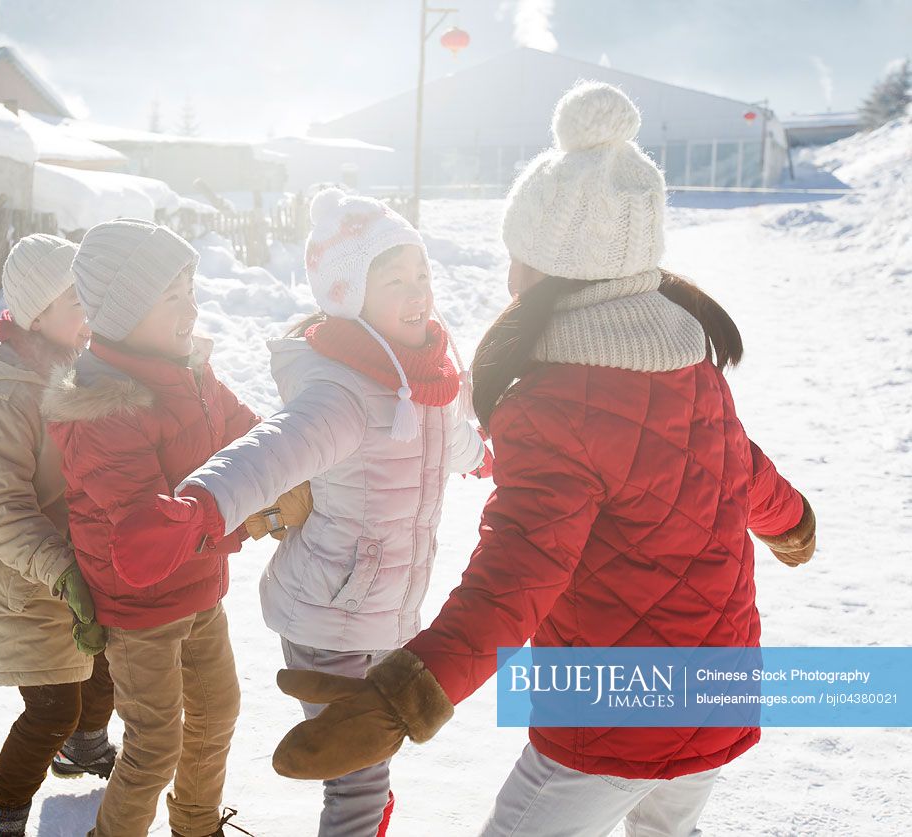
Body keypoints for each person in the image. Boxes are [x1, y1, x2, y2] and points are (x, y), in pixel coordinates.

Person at [270, 82, 817, 837]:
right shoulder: (688, 360)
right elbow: (740, 467)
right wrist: (791, 520)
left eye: (516, 260)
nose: (505, 280)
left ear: (549, 268)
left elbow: (514, 581)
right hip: (717, 691)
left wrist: (405, 693)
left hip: (616, 718)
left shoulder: (554, 403)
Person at [122, 189, 488, 836]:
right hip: (328, 615)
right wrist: (198, 506)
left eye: (421, 275)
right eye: (394, 279)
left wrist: (486, 461)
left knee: (367, 753)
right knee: (356, 774)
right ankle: (363, 812)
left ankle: (367, 806)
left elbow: (453, 436)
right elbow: (270, 452)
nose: (417, 293)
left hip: (385, 610)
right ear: (349, 295)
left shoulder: (429, 373)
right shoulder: (341, 394)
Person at [42, 219, 261, 837]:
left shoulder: (190, 372)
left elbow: (250, 435)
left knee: (217, 712)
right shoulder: (102, 407)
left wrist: (296, 457)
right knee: (156, 741)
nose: (191, 308)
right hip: (138, 606)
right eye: (172, 296)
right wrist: (246, 517)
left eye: (191, 289)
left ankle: (197, 826)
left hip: (196, 588)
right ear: (126, 311)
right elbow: (144, 533)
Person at [0, 233, 118, 837]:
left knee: (101, 666)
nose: (90, 314)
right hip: (20, 576)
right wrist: (60, 570)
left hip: (69, 560)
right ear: (37, 316)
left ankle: (82, 748)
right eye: (76, 302)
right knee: (53, 705)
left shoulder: (72, 367)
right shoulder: (10, 395)